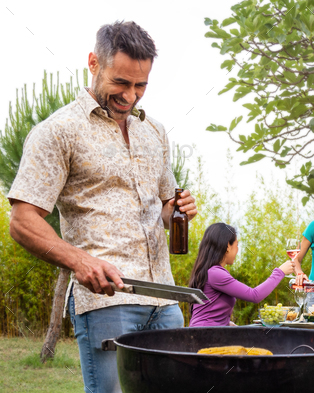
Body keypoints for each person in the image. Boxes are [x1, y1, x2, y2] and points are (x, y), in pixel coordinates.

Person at [8, 21, 198, 393]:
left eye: (140, 85)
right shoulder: (58, 131)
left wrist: (177, 209)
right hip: (108, 304)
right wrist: (80, 261)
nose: (130, 95)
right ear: (93, 63)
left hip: (165, 298)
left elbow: (161, 212)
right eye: (121, 83)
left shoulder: (154, 132)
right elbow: (22, 220)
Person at [189, 222, 294, 326]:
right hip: (205, 336)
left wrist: (225, 323)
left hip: (204, 332)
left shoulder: (210, 271)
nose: (238, 250)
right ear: (227, 247)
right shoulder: (215, 273)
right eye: (237, 245)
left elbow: (208, 310)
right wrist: (280, 272)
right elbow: (254, 295)